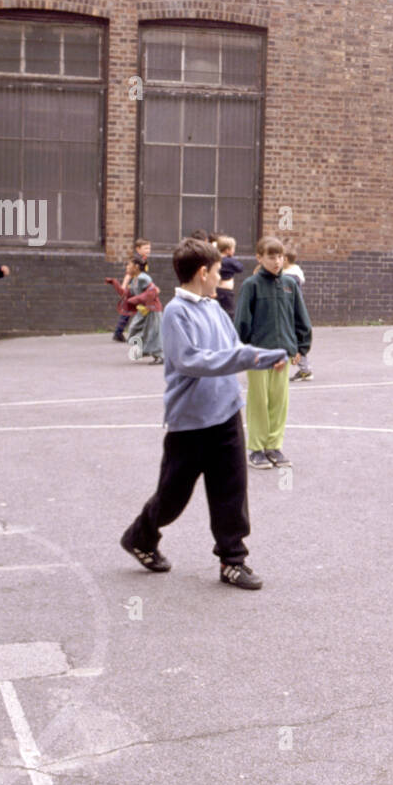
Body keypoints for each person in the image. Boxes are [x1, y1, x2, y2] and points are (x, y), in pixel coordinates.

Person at [120, 238, 287, 590]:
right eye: (216, 271)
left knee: (232, 489)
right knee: (172, 496)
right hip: (191, 423)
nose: (220, 276)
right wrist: (247, 358)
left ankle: (232, 559)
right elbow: (191, 362)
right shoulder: (176, 313)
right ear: (202, 272)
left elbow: (235, 349)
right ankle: (141, 535)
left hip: (225, 414)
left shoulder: (214, 309)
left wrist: (264, 355)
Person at [235, 236, 312, 469]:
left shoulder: (290, 284)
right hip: (258, 355)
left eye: (280, 257)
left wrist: (299, 348)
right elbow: (242, 322)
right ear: (259, 258)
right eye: (271, 256)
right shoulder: (251, 285)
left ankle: (274, 446)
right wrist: (247, 351)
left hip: (283, 354)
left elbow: (301, 318)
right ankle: (257, 449)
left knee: (279, 403)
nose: (277, 261)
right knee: (259, 401)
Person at [280, 246, 314, 381]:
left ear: (286, 259)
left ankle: (305, 370)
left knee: (292, 341)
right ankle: (304, 369)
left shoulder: (290, 277)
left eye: (280, 257)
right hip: (291, 313)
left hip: (290, 314)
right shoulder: (295, 272)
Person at [123, 256, 163, 364]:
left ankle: (159, 355)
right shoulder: (135, 279)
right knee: (134, 328)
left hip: (152, 309)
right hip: (143, 310)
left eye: (129, 264)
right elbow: (129, 293)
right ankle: (145, 349)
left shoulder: (143, 278)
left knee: (153, 332)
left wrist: (136, 299)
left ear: (136, 267)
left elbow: (153, 291)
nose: (127, 267)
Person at [113, 240, 152, 341]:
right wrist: (123, 287)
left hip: (139, 288)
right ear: (138, 249)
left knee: (132, 309)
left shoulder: (143, 259)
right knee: (133, 309)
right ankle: (120, 332)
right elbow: (128, 275)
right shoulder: (136, 260)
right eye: (146, 248)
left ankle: (119, 331)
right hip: (134, 289)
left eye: (149, 248)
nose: (148, 250)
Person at [212, 235, 243, 319]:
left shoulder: (216, 260)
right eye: (233, 248)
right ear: (227, 250)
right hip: (226, 292)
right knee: (230, 313)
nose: (234, 251)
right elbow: (240, 268)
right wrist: (232, 258)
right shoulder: (230, 261)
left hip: (217, 290)